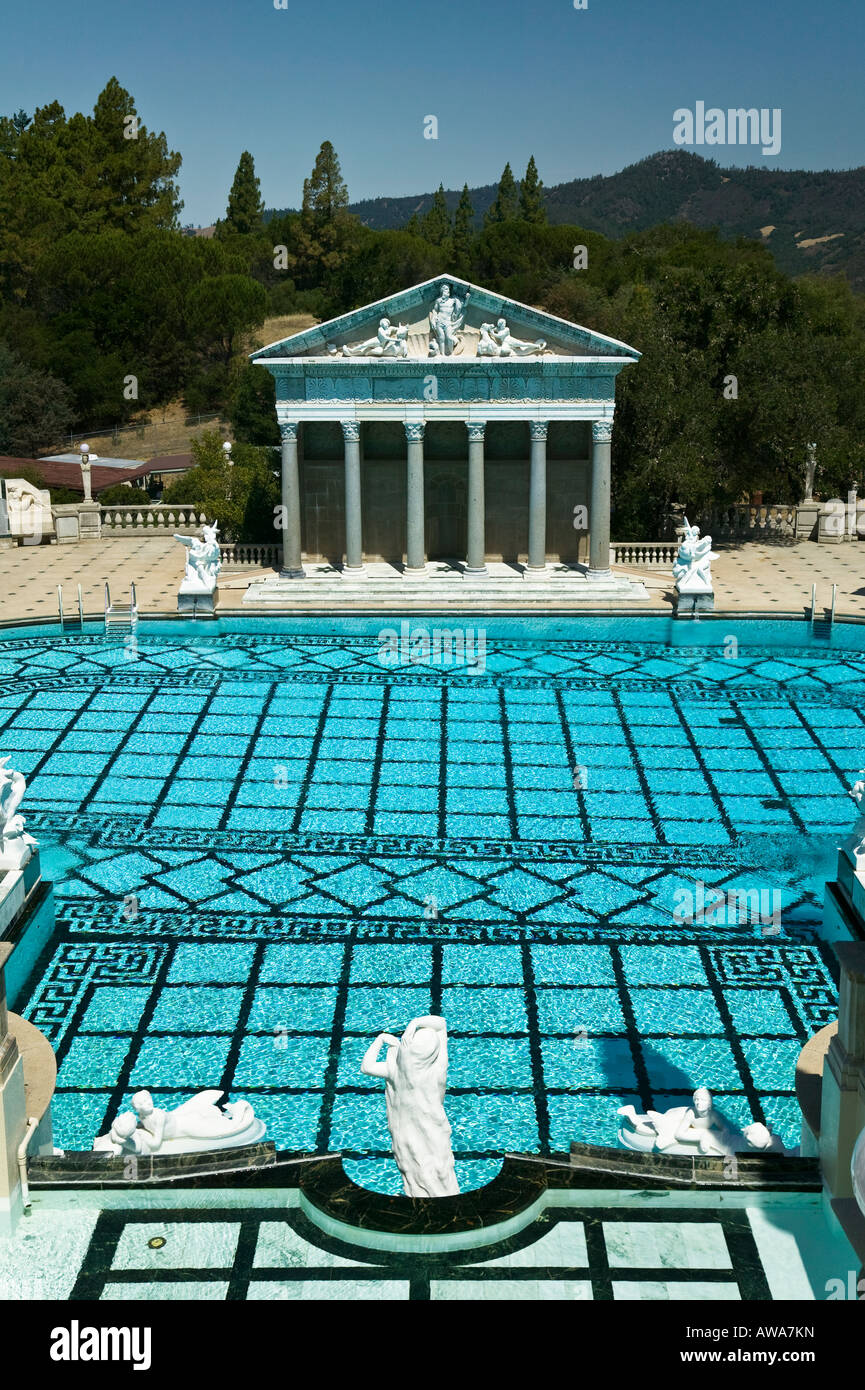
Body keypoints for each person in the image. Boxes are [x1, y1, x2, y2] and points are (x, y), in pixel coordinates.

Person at [361, 1015, 459, 1197]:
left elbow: (366, 1067)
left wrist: (381, 1039)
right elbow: (441, 1025)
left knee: (414, 1170)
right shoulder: (437, 1070)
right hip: (435, 1132)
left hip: (406, 1135)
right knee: (441, 1172)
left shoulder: (395, 1069)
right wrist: (415, 1024)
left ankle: (418, 1201)